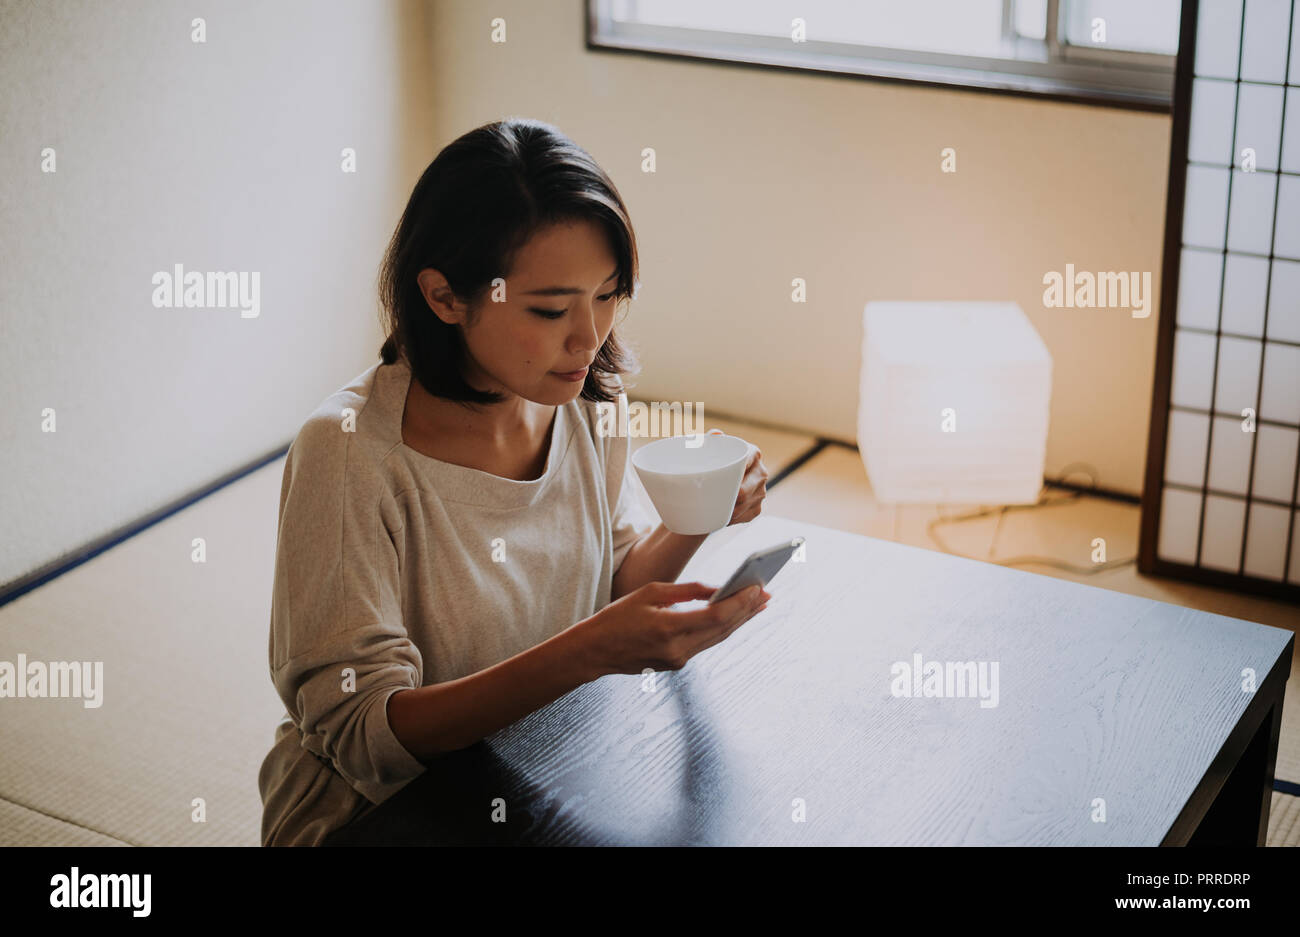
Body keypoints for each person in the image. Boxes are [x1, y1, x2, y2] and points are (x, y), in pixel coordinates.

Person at [257, 117, 771, 846]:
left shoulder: (586, 402)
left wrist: (699, 511)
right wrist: (591, 650)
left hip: (537, 774)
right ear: (444, 297)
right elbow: (364, 734)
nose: (588, 337)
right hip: (379, 816)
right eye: (551, 309)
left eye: (608, 295)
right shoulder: (350, 454)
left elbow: (606, 588)